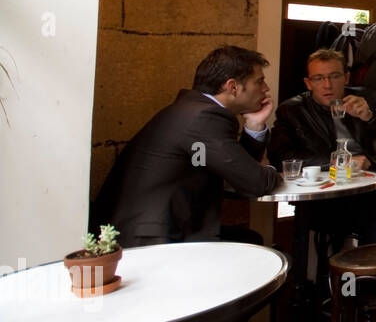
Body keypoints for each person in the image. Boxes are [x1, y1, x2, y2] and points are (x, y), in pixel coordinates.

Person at [92, 45, 281, 247]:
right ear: (232, 87)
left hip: (149, 228)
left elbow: (239, 174)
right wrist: (275, 171)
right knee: (252, 246)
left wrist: (254, 126)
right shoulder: (204, 117)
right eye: (259, 81)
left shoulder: (192, 110)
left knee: (249, 241)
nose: (266, 88)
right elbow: (255, 182)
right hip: (152, 237)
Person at [269, 49, 376, 249]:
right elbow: (280, 156)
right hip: (324, 187)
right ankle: (316, 274)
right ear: (308, 83)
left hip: (369, 180)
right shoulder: (293, 109)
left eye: (334, 76)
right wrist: (340, 163)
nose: (327, 85)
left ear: (346, 77)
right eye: (318, 78)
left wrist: (371, 116)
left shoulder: (365, 97)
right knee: (314, 216)